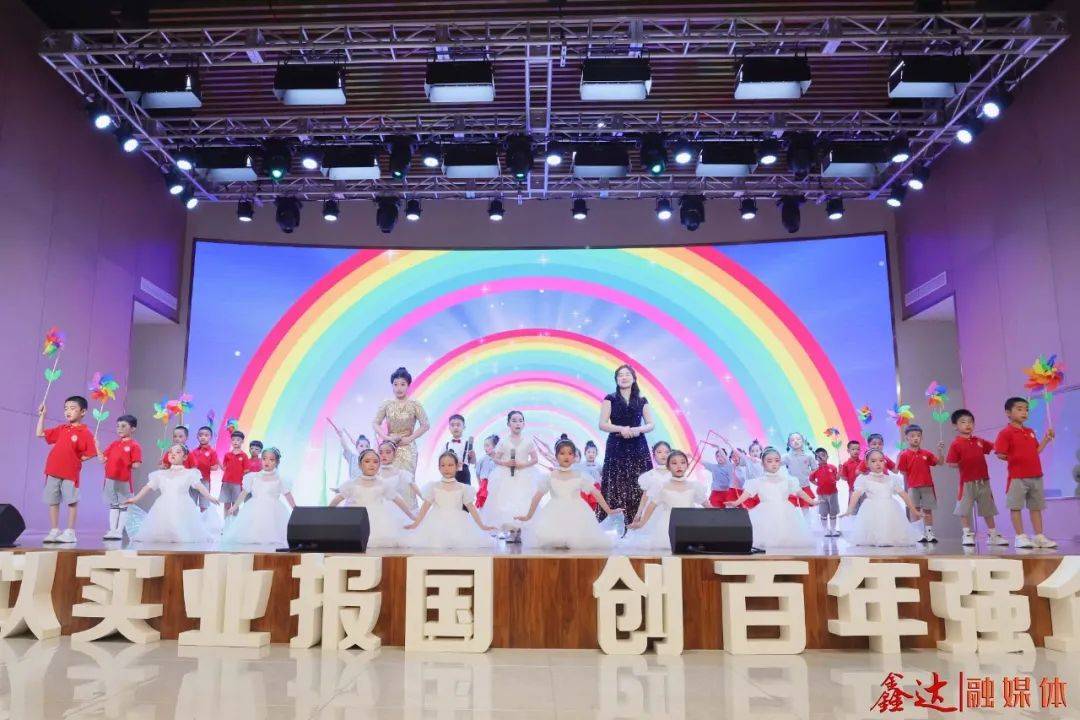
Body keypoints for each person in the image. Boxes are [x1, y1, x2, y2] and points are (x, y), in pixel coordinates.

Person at [515, 437, 622, 550]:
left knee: (581, 541)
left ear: (574, 456)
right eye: (562, 453)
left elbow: (596, 493)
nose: (566, 456)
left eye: (570, 453)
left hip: (577, 512)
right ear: (556, 456)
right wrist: (528, 516)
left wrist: (609, 510)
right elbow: (537, 497)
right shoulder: (550, 476)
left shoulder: (580, 475)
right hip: (554, 513)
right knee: (551, 540)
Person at [994, 397, 1056, 549]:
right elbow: (1000, 454)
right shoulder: (1005, 433)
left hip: (1036, 475)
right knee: (1016, 507)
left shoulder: (1030, 432)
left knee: (1036, 507)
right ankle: (1020, 537)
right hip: (1017, 477)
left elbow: (1036, 451)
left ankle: (1039, 536)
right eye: (1020, 409)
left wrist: (1046, 439)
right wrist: (1016, 459)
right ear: (1008, 413)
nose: (1024, 412)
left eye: (1027, 409)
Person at [726, 447, 818, 549]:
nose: (774, 464)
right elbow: (748, 493)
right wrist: (736, 502)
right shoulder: (758, 481)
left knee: (787, 536)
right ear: (762, 464)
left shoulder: (788, 480)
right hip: (765, 511)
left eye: (777, 460)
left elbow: (800, 492)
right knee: (766, 537)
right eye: (769, 461)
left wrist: (812, 501)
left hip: (785, 511)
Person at [126, 444, 219, 544]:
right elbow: (147, 487)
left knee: (181, 527)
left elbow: (199, 486)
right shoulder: (160, 474)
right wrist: (135, 499)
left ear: (185, 457)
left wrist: (210, 497)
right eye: (170, 452)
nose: (173, 454)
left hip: (183, 503)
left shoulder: (189, 474)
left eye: (177, 452)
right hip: (164, 504)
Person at [36, 396, 98, 544]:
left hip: (70, 473)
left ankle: (70, 532)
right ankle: (54, 530)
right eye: (66, 408)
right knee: (53, 500)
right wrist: (42, 416)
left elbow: (92, 452)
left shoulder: (85, 432)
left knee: (71, 501)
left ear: (83, 412)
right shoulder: (62, 428)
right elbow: (40, 433)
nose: (68, 411)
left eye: (72, 408)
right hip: (52, 470)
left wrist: (77, 460)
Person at [598, 364, 655, 523]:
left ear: (634, 378)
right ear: (616, 380)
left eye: (627, 374)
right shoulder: (610, 398)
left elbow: (651, 424)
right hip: (616, 445)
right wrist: (621, 429)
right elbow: (602, 424)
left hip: (638, 445)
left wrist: (638, 429)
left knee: (640, 481)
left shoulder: (642, 400)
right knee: (616, 482)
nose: (624, 377)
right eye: (620, 375)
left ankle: (639, 520)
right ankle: (616, 523)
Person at [403, 450, 495, 549]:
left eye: (450, 465)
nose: (446, 468)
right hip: (436, 523)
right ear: (439, 468)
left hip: (458, 522)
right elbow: (425, 507)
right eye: (443, 465)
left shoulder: (463, 488)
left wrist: (482, 526)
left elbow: (471, 508)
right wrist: (415, 524)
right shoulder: (433, 486)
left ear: (457, 466)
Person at [946, 409, 1008, 546]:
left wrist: (1006, 440)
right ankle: (967, 534)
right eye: (963, 422)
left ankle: (993, 535)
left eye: (970, 422)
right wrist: (963, 463)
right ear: (955, 426)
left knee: (988, 509)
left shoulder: (979, 441)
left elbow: (995, 447)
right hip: (967, 482)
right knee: (964, 510)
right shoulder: (956, 444)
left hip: (983, 481)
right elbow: (951, 463)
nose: (968, 425)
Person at [624, 450, 708, 550]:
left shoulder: (694, 486)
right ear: (668, 467)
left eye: (682, 462)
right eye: (674, 463)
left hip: (689, 526)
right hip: (667, 528)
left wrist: (721, 516)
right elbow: (651, 506)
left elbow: (706, 504)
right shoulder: (662, 487)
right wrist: (641, 523)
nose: (679, 466)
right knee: (667, 554)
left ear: (687, 465)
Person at [329, 449, 414, 547]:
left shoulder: (383, 484)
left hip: (379, 521)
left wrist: (411, 516)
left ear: (379, 465)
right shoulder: (352, 484)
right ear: (360, 465)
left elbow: (396, 499)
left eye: (375, 462)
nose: (371, 464)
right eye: (367, 461)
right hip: (357, 519)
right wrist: (326, 513)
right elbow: (338, 499)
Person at [840, 450, 921, 547]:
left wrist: (914, 510)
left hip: (890, 509)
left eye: (881, 460)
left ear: (884, 462)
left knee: (892, 532)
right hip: (872, 510)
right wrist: (849, 510)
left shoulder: (892, 479)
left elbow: (904, 495)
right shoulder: (864, 479)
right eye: (873, 461)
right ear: (867, 464)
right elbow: (856, 495)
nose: (878, 463)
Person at [484, 410, 541, 539]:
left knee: (523, 502)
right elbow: (496, 459)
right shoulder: (503, 441)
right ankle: (511, 531)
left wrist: (523, 465)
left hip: (524, 476)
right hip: (506, 476)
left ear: (524, 424)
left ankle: (519, 531)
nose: (517, 423)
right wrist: (506, 463)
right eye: (514, 421)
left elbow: (535, 459)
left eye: (520, 421)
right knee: (506, 502)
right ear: (508, 424)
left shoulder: (528, 441)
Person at [223, 447, 296, 546]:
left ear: (277, 462)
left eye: (271, 459)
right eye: (264, 458)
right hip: (254, 507)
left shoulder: (281, 479)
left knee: (273, 533)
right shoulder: (253, 477)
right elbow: (244, 493)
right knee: (252, 531)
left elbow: (287, 494)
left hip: (273, 509)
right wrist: (234, 507)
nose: (267, 462)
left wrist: (295, 509)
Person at [372, 367, 430, 479]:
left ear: (408, 385)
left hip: (408, 448)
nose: (399, 388)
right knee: (388, 480)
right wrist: (387, 438)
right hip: (389, 449)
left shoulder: (414, 404)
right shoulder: (387, 404)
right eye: (395, 384)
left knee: (406, 481)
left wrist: (409, 439)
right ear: (392, 386)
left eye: (402, 384)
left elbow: (425, 425)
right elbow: (375, 423)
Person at [896, 424, 945, 543]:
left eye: (918, 436)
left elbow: (940, 462)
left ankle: (929, 533)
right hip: (913, 487)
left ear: (921, 438)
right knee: (915, 510)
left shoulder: (926, 453)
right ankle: (918, 533)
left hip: (927, 486)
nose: (916, 438)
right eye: (912, 436)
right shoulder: (904, 455)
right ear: (907, 438)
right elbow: (902, 471)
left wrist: (940, 451)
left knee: (928, 510)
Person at [97, 414, 142, 540]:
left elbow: (137, 464)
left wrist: (127, 463)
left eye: (123, 426)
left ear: (132, 429)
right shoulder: (114, 444)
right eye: (118, 426)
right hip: (109, 479)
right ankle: (112, 530)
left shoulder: (134, 445)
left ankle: (119, 531)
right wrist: (97, 447)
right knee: (113, 505)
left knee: (123, 506)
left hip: (123, 480)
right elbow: (102, 459)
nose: (119, 429)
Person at [375, 440, 420, 510]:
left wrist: (426, 498)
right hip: (378, 508)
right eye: (380, 452)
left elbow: (416, 489)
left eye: (388, 452)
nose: (383, 455)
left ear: (395, 454)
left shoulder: (401, 473)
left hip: (396, 509)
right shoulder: (374, 473)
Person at [634, 441, 671, 522]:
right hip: (651, 512)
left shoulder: (675, 474)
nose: (663, 455)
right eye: (659, 452)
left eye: (667, 452)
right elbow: (645, 496)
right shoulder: (648, 475)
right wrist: (639, 513)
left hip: (669, 511)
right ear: (654, 456)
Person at [782, 432, 817, 516]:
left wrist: (809, 474)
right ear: (789, 444)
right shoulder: (786, 457)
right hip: (792, 488)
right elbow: (774, 464)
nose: (795, 441)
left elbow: (815, 469)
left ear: (803, 441)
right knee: (793, 510)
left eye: (798, 439)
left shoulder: (809, 456)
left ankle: (808, 524)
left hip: (805, 486)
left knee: (806, 510)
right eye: (792, 440)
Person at [809, 447, 841, 537]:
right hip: (821, 494)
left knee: (833, 512)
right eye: (818, 456)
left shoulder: (833, 467)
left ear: (827, 456)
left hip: (833, 493)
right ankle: (825, 530)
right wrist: (818, 484)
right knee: (823, 512)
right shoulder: (815, 470)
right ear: (816, 458)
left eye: (823, 455)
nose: (821, 457)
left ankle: (833, 529)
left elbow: (837, 478)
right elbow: (811, 479)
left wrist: (840, 470)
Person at [188, 426, 221, 511]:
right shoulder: (193, 452)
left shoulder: (212, 452)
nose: (203, 437)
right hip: (194, 480)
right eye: (200, 435)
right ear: (197, 436)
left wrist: (204, 465)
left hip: (205, 480)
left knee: (204, 505)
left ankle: (204, 519)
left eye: (206, 435)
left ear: (210, 437)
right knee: (191, 504)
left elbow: (215, 467)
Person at [219, 430, 250, 518]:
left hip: (237, 484)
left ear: (242, 441)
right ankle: (226, 522)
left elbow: (246, 471)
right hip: (226, 482)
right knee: (226, 504)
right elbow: (224, 467)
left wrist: (243, 483)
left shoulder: (244, 456)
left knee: (235, 505)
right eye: (233, 440)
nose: (235, 442)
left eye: (238, 440)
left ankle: (234, 523)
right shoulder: (227, 455)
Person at [443, 414, 476, 485]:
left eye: (458, 425)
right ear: (449, 428)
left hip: (464, 473)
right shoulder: (447, 444)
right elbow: (442, 461)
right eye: (452, 425)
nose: (455, 427)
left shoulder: (468, 443)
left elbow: (473, 462)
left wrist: (473, 456)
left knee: (465, 491)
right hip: (450, 474)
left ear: (464, 427)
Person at [475, 434, 499, 509]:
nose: (485, 448)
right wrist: (480, 485)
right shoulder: (482, 460)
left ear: (495, 446)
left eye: (487, 445)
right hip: (485, 486)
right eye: (484, 446)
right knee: (485, 505)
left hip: (496, 485)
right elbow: (477, 473)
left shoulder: (500, 460)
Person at [839, 439, 862, 512]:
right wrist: (840, 471)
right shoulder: (846, 464)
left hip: (863, 489)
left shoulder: (863, 462)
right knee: (853, 510)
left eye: (858, 449)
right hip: (853, 490)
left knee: (864, 509)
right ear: (848, 451)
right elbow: (844, 478)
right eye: (853, 449)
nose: (856, 451)